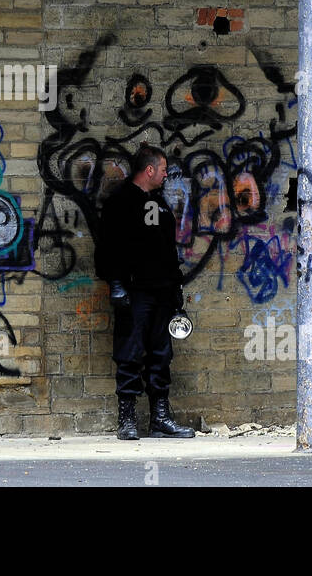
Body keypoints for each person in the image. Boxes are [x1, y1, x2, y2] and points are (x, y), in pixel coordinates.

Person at [95, 144, 195, 440]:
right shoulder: (120, 203)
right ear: (149, 170)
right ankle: (126, 419)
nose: (166, 175)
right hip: (134, 292)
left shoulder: (161, 205)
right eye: (163, 169)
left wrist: (175, 289)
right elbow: (106, 250)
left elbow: (168, 251)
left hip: (161, 292)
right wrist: (116, 283)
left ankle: (160, 419)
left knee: (161, 355)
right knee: (129, 354)